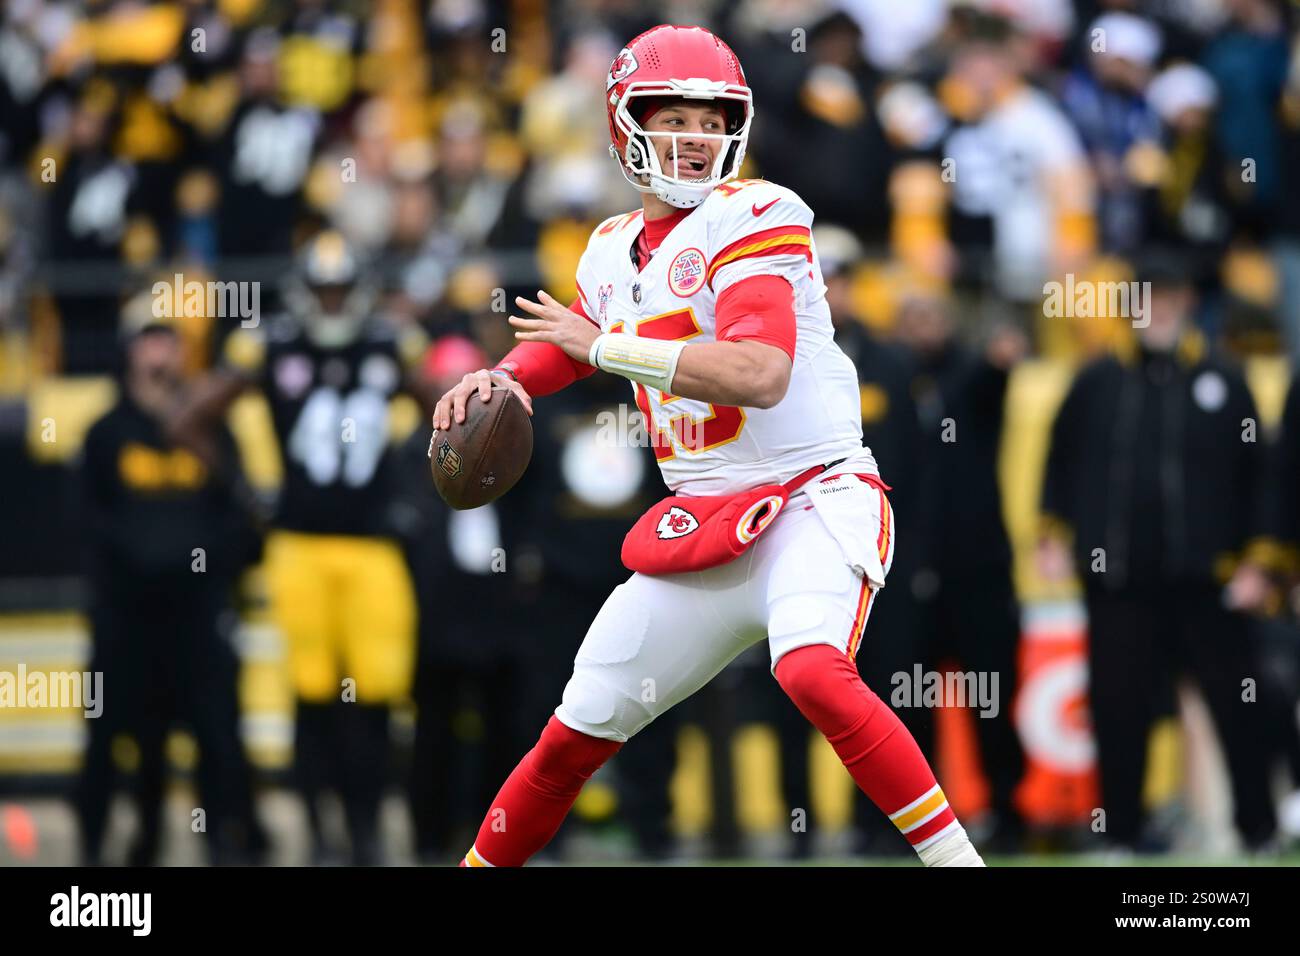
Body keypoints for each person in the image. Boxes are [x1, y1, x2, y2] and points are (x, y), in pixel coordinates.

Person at [433, 24, 983, 867]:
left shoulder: (758, 211)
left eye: (713, 119)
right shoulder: (612, 247)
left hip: (811, 496)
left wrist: (603, 348)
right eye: (676, 117)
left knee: (809, 670)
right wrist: (503, 377)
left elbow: (757, 372)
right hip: (704, 519)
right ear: (626, 127)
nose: (697, 137)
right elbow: (563, 341)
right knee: (573, 732)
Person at [171, 230, 427, 865]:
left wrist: (423, 480)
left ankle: (365, 831)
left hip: (372, 547)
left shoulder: (390, 343)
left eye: (343, 290)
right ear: (304, 292)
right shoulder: (271, 343)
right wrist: (249, 491)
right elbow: (187, 419)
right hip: (299, 545)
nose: (335, 302)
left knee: (376, 696)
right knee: (311, 694)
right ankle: (320, 833)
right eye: (324, 290)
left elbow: (454, 407)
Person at [1038, 257, 1278, 852]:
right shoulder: (1097, 381)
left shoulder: (1225, 376)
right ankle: (1122, 832)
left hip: (1208, 579)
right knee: (1119, 708)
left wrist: (1258, 561)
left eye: (1168, 296)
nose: (1158, 309)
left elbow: (1260, 478)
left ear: (1188, 302)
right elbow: (1060, 462)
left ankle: (1259, 829)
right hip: (1120, 579)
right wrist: (1054, 535)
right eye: (1147, 298)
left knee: (1237, 704)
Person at [77, 296, 263, 865]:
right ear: (129, 352)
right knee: (114, 743)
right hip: (126, 620)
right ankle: (109, 849)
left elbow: (241, 515)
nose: (159, 352)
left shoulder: (210, 430)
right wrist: (142, 567)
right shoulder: (105, 434)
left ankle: (230, 844)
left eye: (168, 340)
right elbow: (87, 522)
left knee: (218, 738)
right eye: (148, 339)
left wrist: (207, 570)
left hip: (196, 619)